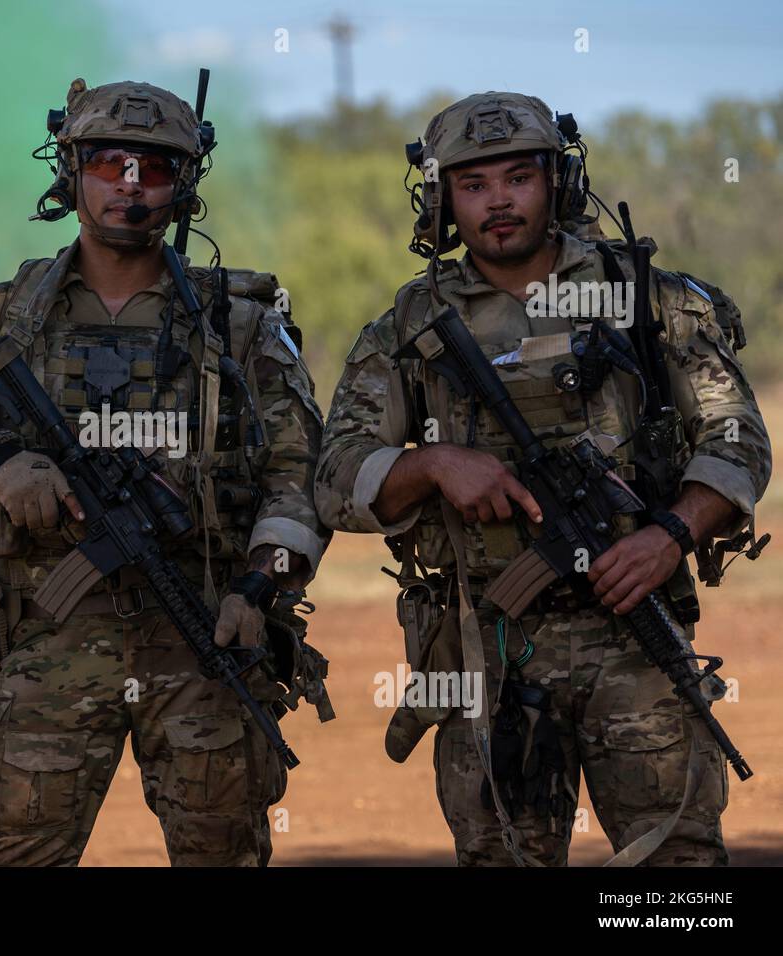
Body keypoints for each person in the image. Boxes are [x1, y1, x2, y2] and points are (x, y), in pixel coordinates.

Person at [0, 77, 331, 866]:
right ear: (69, 169)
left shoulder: (241, 326)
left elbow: (300, 475)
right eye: (109, 163)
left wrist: (260, 589)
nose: (130, 184)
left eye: (154, 168)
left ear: (185, 186)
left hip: (205, 632)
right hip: (45, 640)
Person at [315, 91, 771, 866]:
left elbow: (736, 438)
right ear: (441, 201)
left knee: (680, 870)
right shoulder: (410, 329)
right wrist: (430, 465)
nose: (498, 202)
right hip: (485, 649)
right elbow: (334, 476)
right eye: (473, 184)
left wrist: (671, 534)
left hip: (635, 634)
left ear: (557, 183)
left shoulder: (646, 299)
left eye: (518, 177)